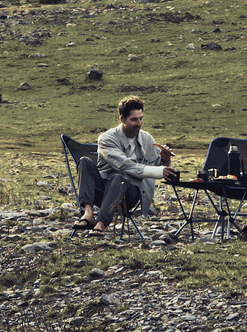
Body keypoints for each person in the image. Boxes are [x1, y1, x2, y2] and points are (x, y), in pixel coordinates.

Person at [74, 96, 180, 234]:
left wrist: (165, 160)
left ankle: (101, 224)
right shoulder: (107, 139)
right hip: (103, 192)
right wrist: (160, 172)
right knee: (84, 162)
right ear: (122, 119)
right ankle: (88, 214)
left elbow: (156, 165)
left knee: (119, 178)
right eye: (134, 119)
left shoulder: (147, 139)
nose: (139, 123)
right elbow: (125, 166)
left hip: (130, 195)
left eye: (141, 118)